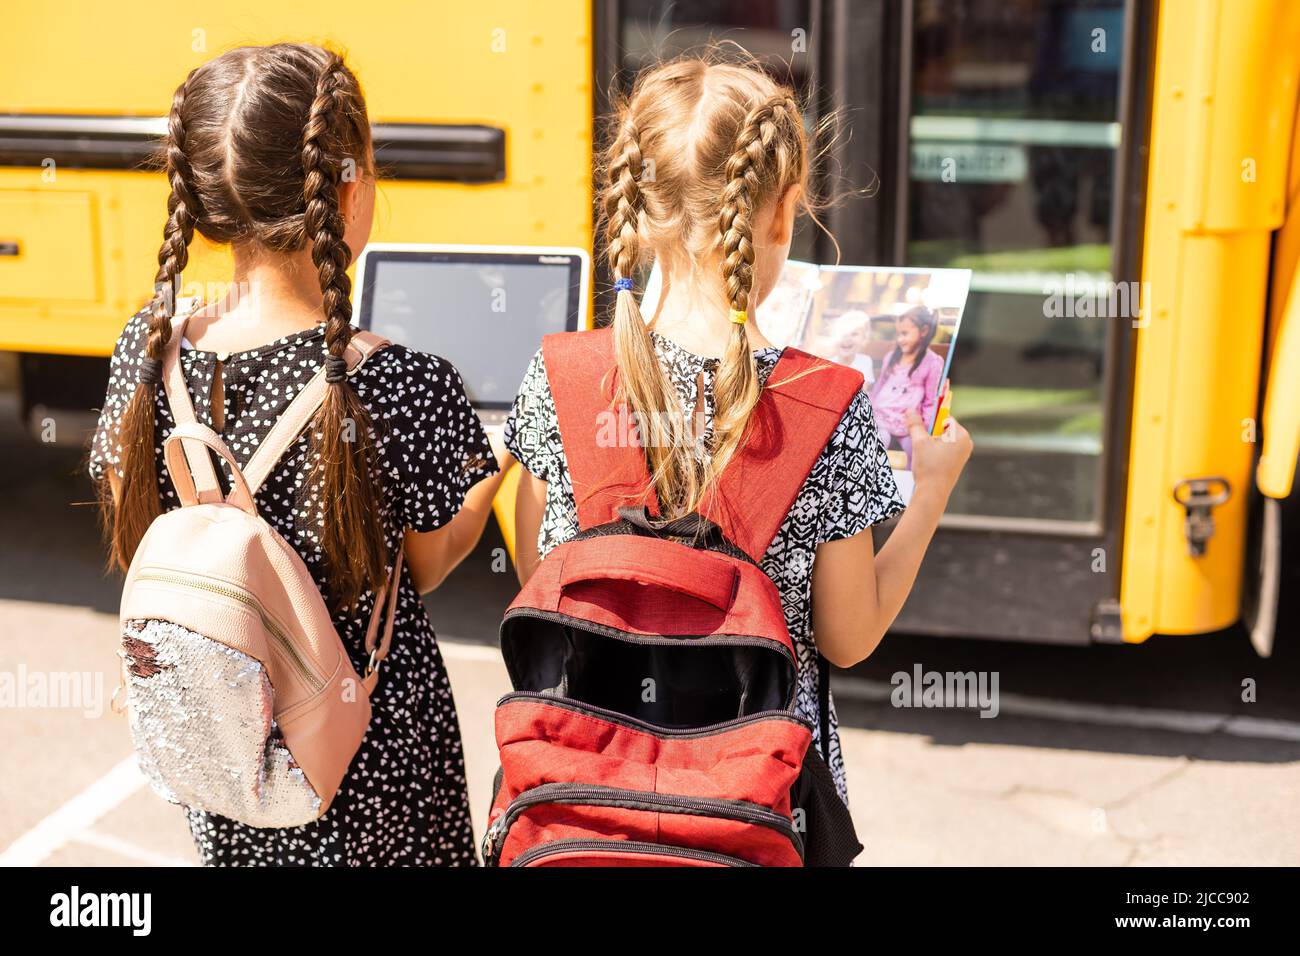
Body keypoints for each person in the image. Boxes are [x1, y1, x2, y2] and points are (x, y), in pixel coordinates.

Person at [504, 54, 972, 805]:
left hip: (592, 795)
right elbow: (848, 638)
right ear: (783, 212)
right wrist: (931, 495)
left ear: (638, 203)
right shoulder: (827, 404)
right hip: (753, 807)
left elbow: (541, 573)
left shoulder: (560, 376)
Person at [89, 44, 508, 866]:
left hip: (238, 748)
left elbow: (127, 493)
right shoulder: (402, 379)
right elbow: (424, 563)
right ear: (348, 186)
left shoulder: (150, 348)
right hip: (370, 752)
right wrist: (489, 472)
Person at [869, 306, 945, 467]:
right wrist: (869, 411)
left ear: (923, 331)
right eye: (898, 334)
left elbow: (930, 399)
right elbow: (879, 387)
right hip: (882, 416)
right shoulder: (891, 357)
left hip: (907, 421)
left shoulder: (932, 362)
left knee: (917, 450)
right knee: (878, 441)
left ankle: (909, 486)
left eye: (905, 334)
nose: (900, 339)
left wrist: (924, 427)